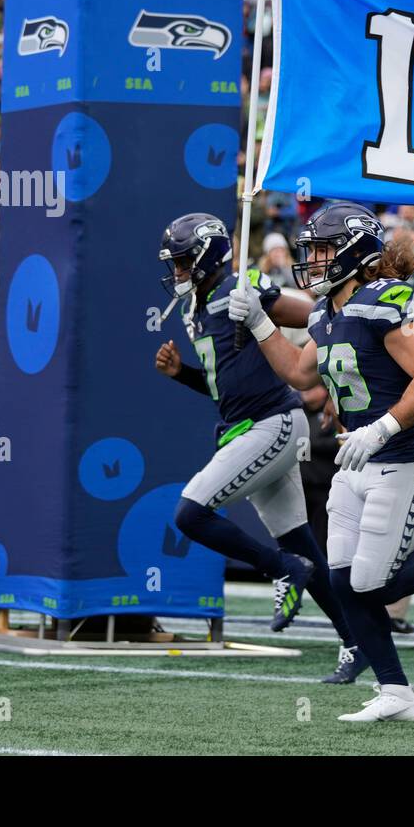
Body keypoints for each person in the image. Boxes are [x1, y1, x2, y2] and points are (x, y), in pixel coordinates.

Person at [227, 201, 414, 722]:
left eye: (322, 250)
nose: (314, 261)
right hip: (356, 462)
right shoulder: (325, 314)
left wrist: (383, 426)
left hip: (403, 459)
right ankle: (397, 694)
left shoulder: (386, 300)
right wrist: (259, 322)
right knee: (343, 583)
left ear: (353, 252)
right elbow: (301, 376)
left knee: (372, 584)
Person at [152, 212, 360, 684]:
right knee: (302, 544)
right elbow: (223, 386)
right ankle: (356, 640)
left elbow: (318, 318)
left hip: (274, 424)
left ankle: (283, 568)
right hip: (250, 423)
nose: (178, 273)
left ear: (206, 259)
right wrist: (180, 374)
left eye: (184, 262)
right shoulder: (197, 309)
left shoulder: (237, 289)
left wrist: (331, 379)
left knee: (190, 512)